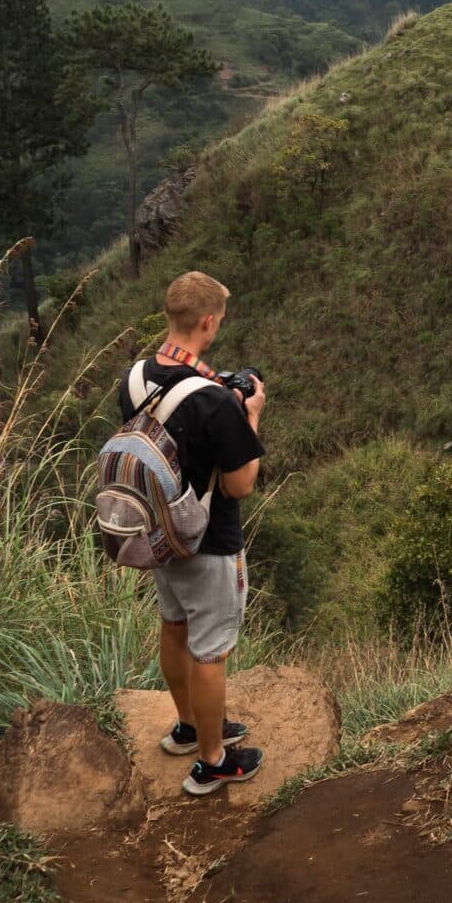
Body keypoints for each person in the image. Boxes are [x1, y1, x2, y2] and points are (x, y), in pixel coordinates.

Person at [118, 270, 267, 795]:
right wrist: (249, 415)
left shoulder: (135, 377)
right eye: (218, 321)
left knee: (174, 626)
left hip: (158, 534)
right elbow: (241, 482)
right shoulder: (216, 401)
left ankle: (188, 726)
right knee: (210, 652)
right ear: (207, 321)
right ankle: (212, 760)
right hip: (209, 541)